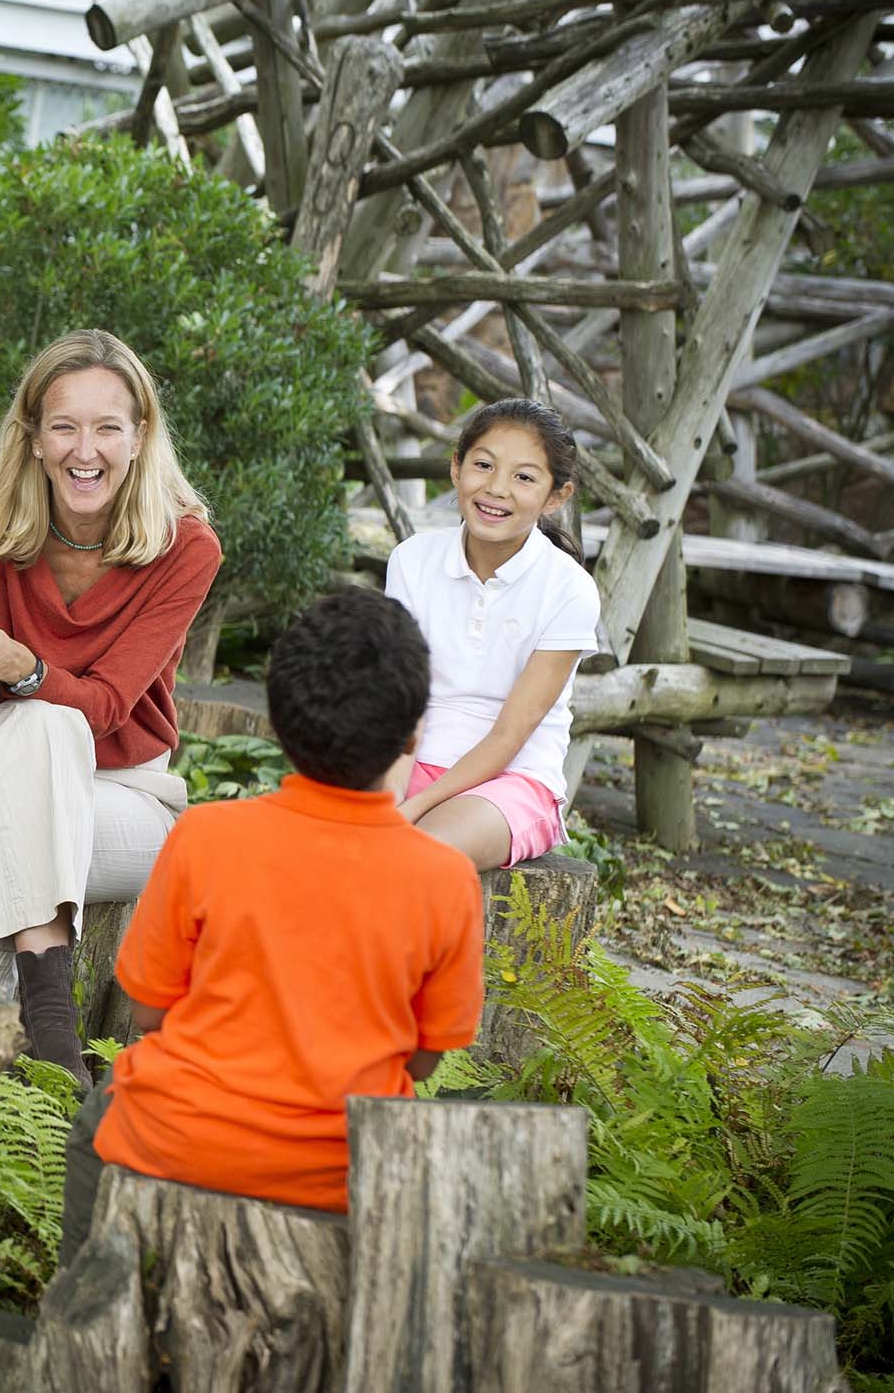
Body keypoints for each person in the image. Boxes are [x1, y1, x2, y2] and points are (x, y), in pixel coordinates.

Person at [57, 590, 484, 1261]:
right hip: (338, 1180)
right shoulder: (446, 878)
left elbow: (146, 1012)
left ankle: (80, 1308)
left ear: (278, 726)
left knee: (93, 1129)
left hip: (172, 1142)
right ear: (413, 733)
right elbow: (428, 1056)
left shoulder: (205, 836)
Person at [0, 329, 221, 1090]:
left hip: (121, 793)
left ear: (140, 437)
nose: (87, 448)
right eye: (65, 425)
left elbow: (107, 708)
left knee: (20, 774)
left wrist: (26, 667)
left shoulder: (186, 545)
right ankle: (52, 1033)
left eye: (109, 426)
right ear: (34, 438)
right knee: (27, 736)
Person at [385, 397, 600, 872]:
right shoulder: (412, 560)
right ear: (457, 467)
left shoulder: (569, 589)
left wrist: (413, 810)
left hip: (512, 782)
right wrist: (393, 792)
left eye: (524, 477)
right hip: (409, 756)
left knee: (410, 860)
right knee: (325, 840)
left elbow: (509, 735)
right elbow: (407, 699)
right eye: (483, 465)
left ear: (555, 497)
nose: (497, 488)